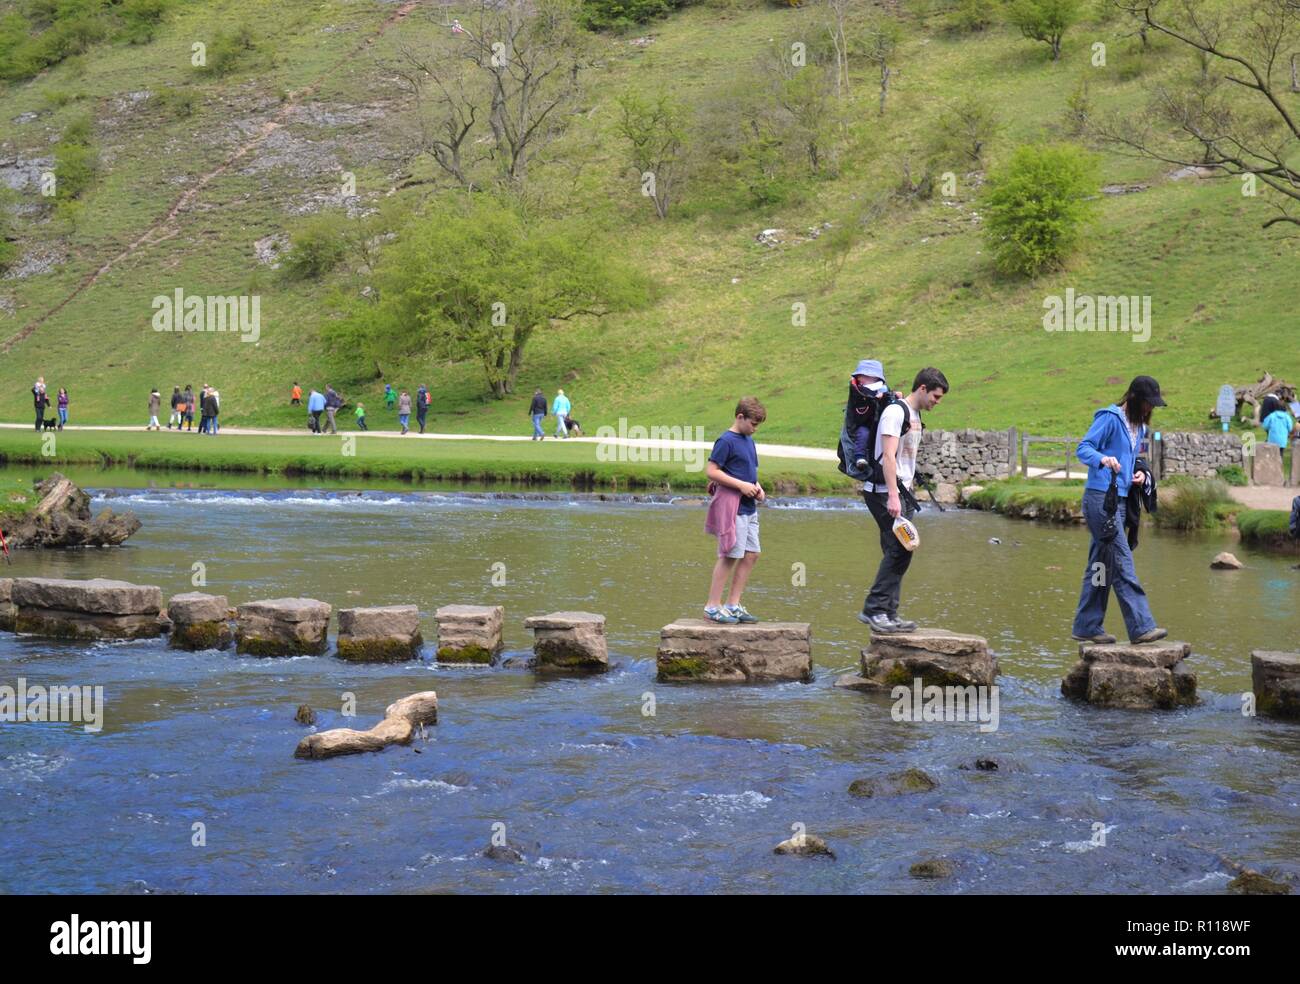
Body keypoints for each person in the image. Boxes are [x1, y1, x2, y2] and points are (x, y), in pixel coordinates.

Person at [1072, 375, 1169, 645]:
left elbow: (1130, 458)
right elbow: (1084, 448)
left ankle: (1087, 625)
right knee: (1122, 561)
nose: (1151, 409)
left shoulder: (1140, 428)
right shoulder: (1110, 418)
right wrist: (1102, 459)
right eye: (1148, 403)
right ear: (1135, 398)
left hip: (1122, 500)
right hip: (1101, 500)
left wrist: (1137, 473)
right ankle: (1141, 627)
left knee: (1101, 565)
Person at [859, 367, 948, 634]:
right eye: (936, 396)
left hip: (901, 491)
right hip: (882, 491)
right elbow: (887, 456)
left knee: (898, 552)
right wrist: (894, 496)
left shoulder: (914, 414)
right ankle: (873, 610)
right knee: (901, 549)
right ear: (922, 388)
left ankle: (889, 613)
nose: (937, 401)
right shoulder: (896, 412)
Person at [703, 397, 767, 624]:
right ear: (740, 417)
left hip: (750, 507)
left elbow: (750, 471)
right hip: (734, 507)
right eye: (753, 424)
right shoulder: (726, 440)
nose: (755, 429)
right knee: (730, 554)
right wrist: (740, 486)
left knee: (752, 554)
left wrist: (757, 489)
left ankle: (733, 604)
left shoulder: (748, 439)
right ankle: (712, 606)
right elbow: (711, 471)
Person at [846, 359, 889, 472]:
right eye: (864, 376)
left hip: (879, 423)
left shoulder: (882, 388)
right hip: (863, 423)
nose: (867, 379)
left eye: (872, 377)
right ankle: (860, 457)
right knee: (863, 434)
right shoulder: (859, 391)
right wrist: (874, 397)